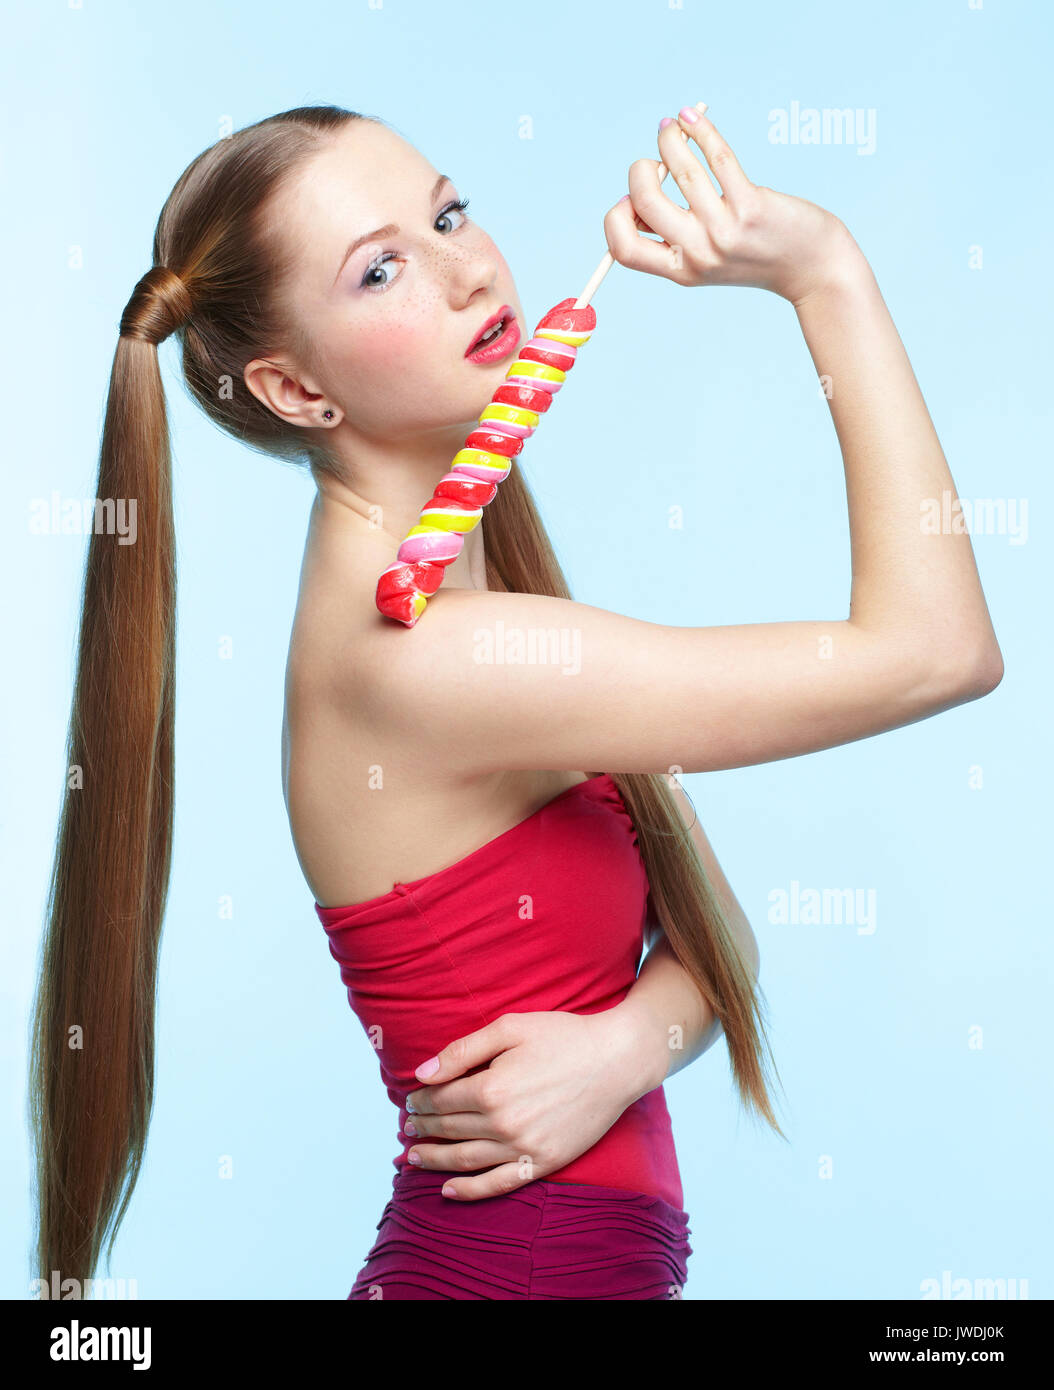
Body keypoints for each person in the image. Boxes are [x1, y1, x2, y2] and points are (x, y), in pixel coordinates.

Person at [29, 103, 1002, 1301]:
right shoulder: (426, 661)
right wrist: (824, 271)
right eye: (381, 268)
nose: (463, 269)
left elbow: (717, 945)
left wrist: (613, 1052)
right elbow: (936, 650)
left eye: (449, 211)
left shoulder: (481, 601)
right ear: (293, 388)